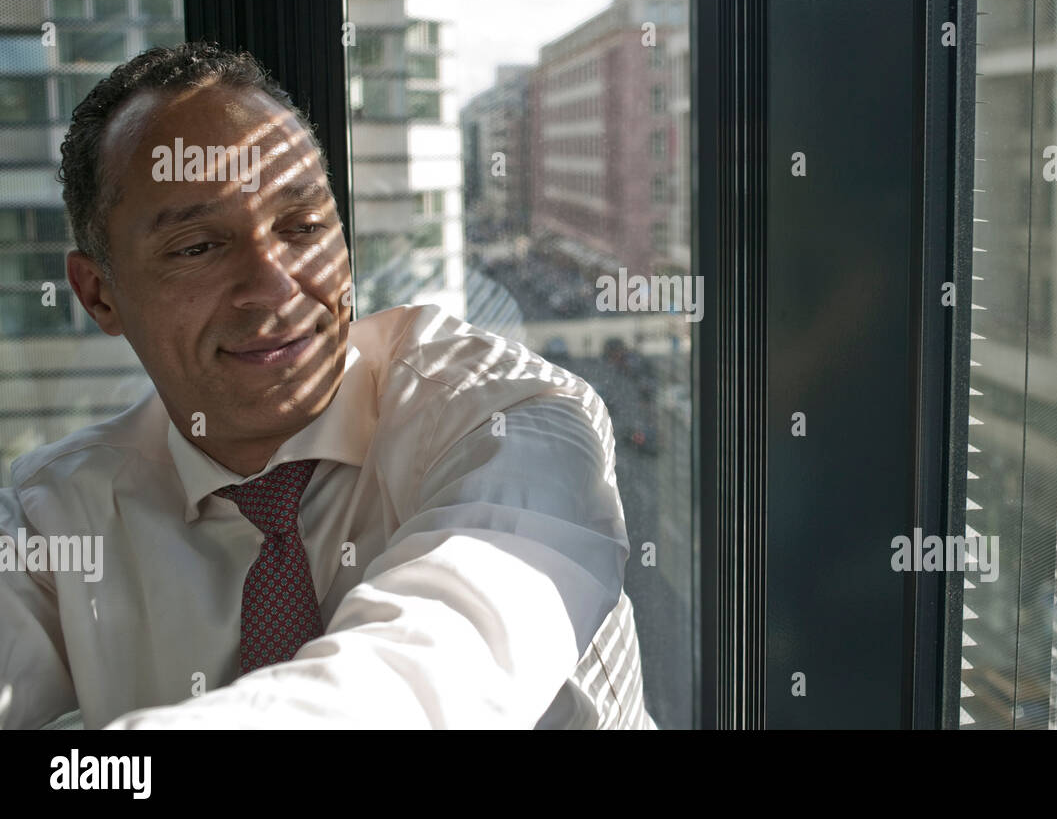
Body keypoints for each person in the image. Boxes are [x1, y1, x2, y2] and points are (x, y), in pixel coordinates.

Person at [0, 42, 655, 729]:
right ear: (99, 295)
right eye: (198, 247)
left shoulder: (505, 415)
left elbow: (433, 672)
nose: (276, 287)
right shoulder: (51, 520)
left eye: (303, 226)